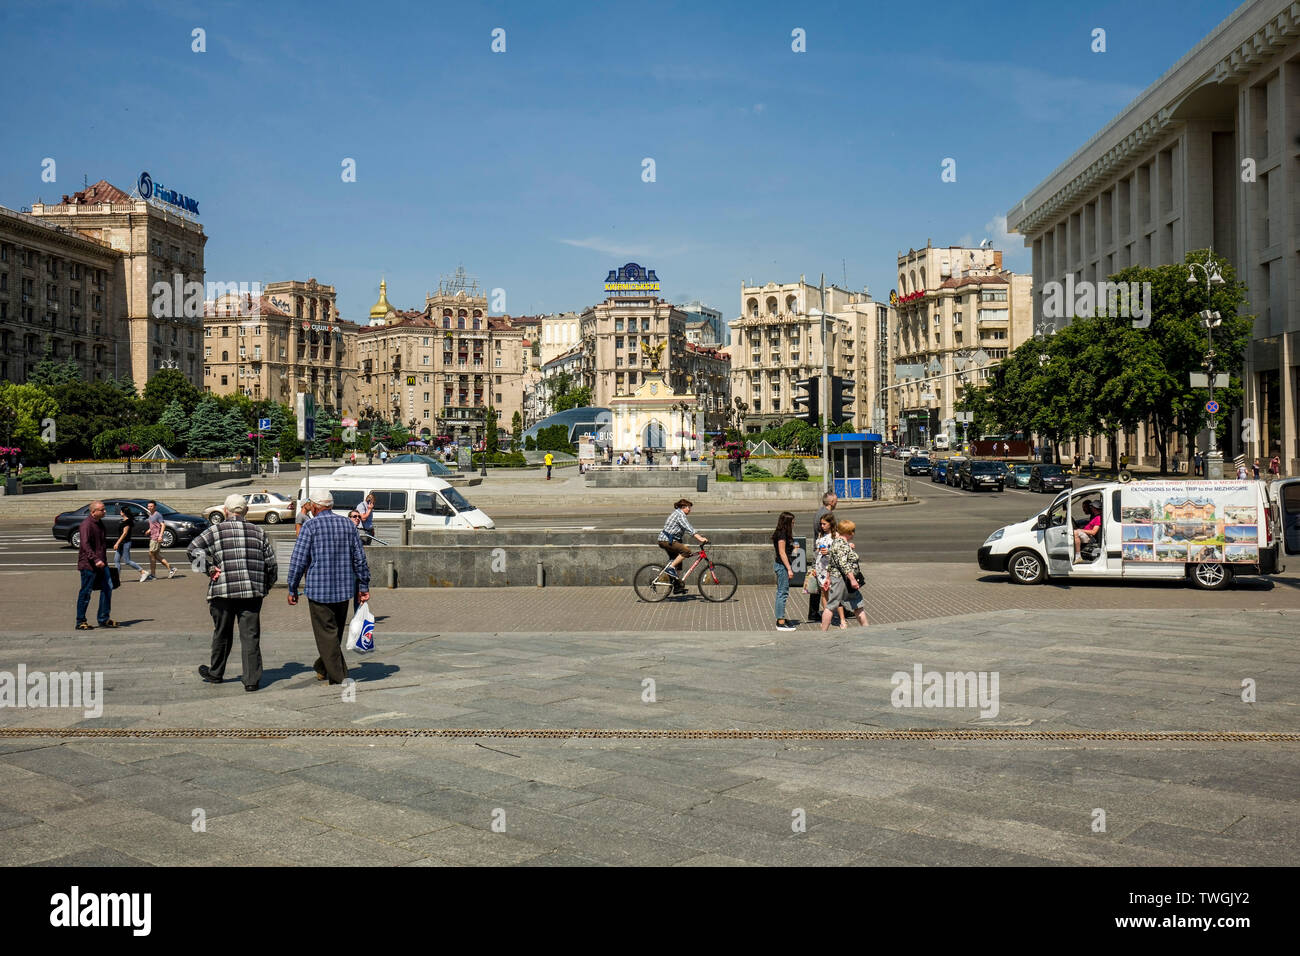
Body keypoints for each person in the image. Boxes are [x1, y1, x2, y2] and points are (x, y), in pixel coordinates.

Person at [189, 493, 278, 692]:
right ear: (245, 511)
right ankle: (251, 680)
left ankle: (216, 673)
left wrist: (209, 569)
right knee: (250, 636)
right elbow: (271, 565)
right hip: (251, 592)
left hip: (222, 591)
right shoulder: (259, 532)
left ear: (226, 511)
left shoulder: (215, 530)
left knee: (222, 633)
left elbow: (192, 549)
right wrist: (265, 587)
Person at [287, 490, 371, 685]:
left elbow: (298, 560)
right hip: (344, 590)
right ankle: (323, 666)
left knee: (327, 635)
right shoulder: (348, 525)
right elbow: (359, 559)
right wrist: (363, 585)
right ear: (330, 505)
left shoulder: (310, 526)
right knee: (334, 634)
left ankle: (340, 676)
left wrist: (292, 587)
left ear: (315, 507)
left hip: (319, 591)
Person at [75, 500, 116, 630]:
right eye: (102, 510)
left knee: (107, 588)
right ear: (93, 512)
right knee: (86, 592)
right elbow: (85, 545)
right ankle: (80, 621)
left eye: (104, 509)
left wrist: (102, 560)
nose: (105, 511)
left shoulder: (100, 523)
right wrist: (96, 559)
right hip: (89, 565)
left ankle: (103, 618)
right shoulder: (86, 525)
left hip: (102, 563)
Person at [822, 519, 867, 630]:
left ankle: (867, 628)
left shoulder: (836, 542)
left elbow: (831, 562)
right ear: (848, 532)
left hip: (838, 578)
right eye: (852, 531)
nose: (854, 533)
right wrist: (852, 579)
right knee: (832, 605)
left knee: (857, 603)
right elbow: (843, 564)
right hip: (842, 580)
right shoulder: (842, 545)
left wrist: (828, 577)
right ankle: (823, 632)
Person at [657, 498, 707, 595]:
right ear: (683, 507)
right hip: (666, 540)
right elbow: (688, 528)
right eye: (689, 508)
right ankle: (670, 568)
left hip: (670, 540)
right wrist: (700, 538)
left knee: (678, 563)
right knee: (686, 551)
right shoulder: (680, 514)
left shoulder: (679, 513)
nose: (690, 510)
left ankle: (677, 586)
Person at [808, 491, 838, 623]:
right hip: (823, 553)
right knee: (826, 583)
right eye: (836, 500)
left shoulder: (819, 512)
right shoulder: (826, 515)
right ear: (831, 502)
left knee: (820, 583)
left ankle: (814, 612)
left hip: (820, 550)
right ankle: (819, 612)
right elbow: (824, 535)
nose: (837, 502)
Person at [772, 511, 800, 631]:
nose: (794, 524)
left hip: (781, 565)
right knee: (782, 593)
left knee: (783, 592)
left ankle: (781, 618)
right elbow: (782, 552)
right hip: (782, 566)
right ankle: (780, 621)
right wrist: (789, 569)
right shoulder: (782, 534)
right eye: (792, 522)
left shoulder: (781, 532)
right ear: (787, 523)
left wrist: (794, 549)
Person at [112, 504, 146, 583]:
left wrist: (117, 543)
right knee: (116, 560)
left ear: (124, 512)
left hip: (125, 543)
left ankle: (143, 572)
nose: (120, 512)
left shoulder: (128, 522)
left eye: (121, 511)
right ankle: (117, 578)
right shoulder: (123, 521)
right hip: (121, 543)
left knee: (127, 561)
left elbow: (124, 534)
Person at [145, 501, 176, 580]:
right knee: (156, 556)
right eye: (148, 506)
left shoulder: (157, 514)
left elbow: (163, 525)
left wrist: (160, 536)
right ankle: (171, 569)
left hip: (156, 537)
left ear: (155, 507)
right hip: (153, 536)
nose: (149, 507)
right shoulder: (150, 515)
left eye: (151, 506)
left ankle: (153, 574)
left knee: (151, 554)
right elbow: (154, 525)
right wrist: (149, 530)